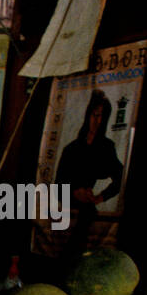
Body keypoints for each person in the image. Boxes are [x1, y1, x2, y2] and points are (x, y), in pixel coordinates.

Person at [54, 90, 124, 258]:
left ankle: (74, 256)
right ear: (88, 116)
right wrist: (74, 192)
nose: (96, 121)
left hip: (87, 201)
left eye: (101, 117)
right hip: (68, 196)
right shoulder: (71, 148)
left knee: (88, 212)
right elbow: (58, 184)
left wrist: (100, 197)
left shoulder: (106, 147)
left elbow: (120, 177)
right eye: (94, 115)